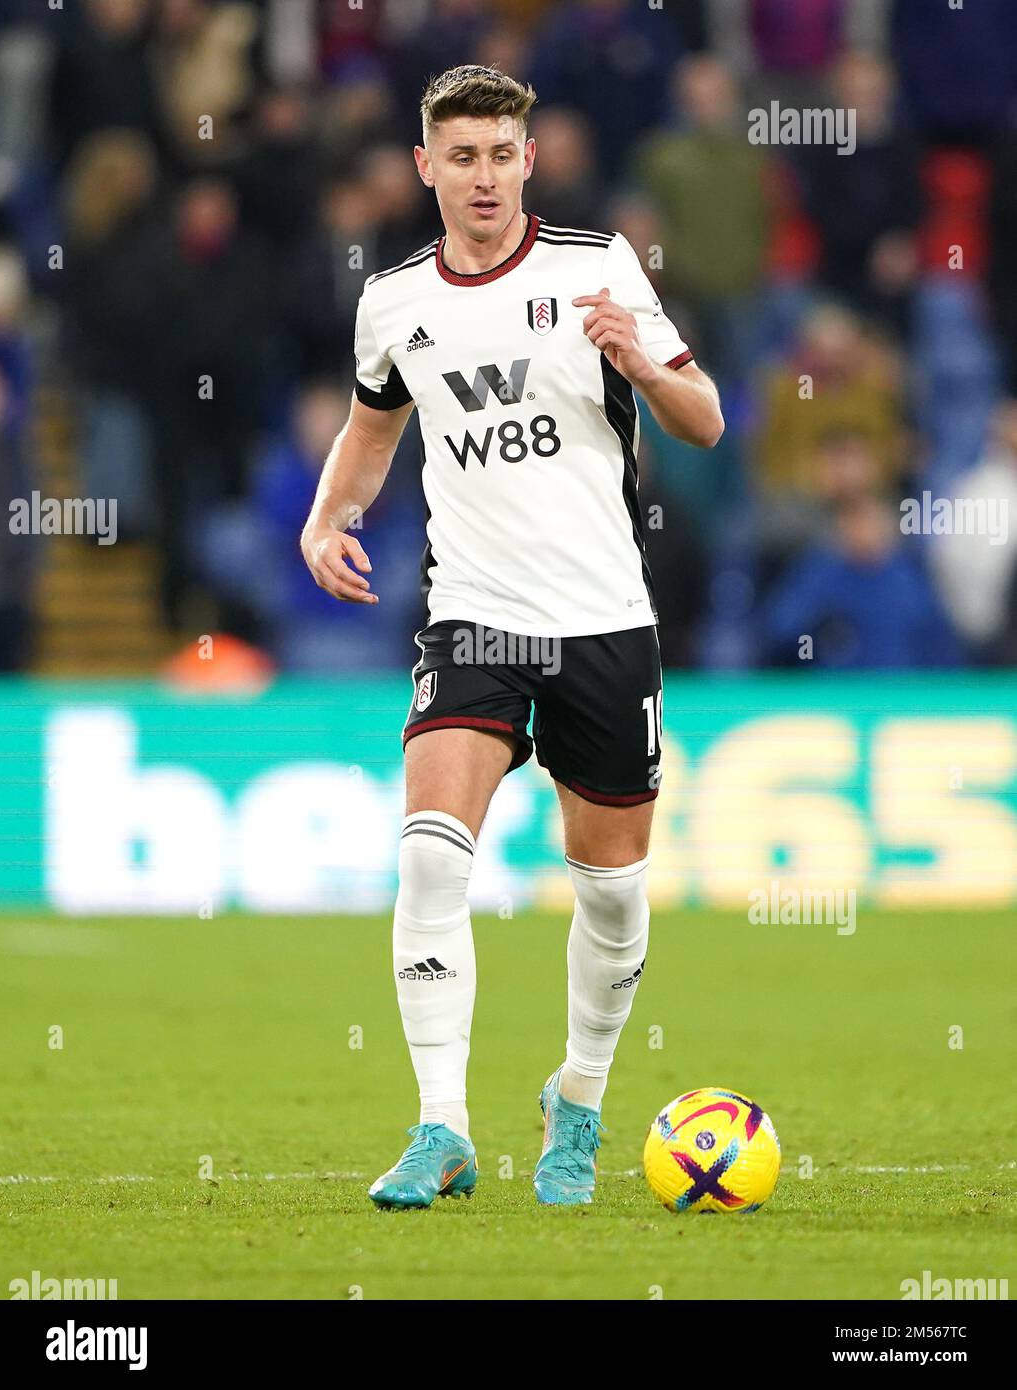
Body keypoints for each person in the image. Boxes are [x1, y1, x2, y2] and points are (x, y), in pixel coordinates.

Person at [299, 64, 723, 1210]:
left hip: (602, 620)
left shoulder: (596, 267)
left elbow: (706, 417)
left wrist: (636, 358)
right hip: (472, 614)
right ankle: (441, 1127)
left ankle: (576, 1099)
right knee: (432, 852)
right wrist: (327, 513)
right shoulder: (393, 301)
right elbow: (373, 424)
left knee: (612, 896)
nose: (483, 177)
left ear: (528, 161)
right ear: (425, 165)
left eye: (502, 155)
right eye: (462, 157)